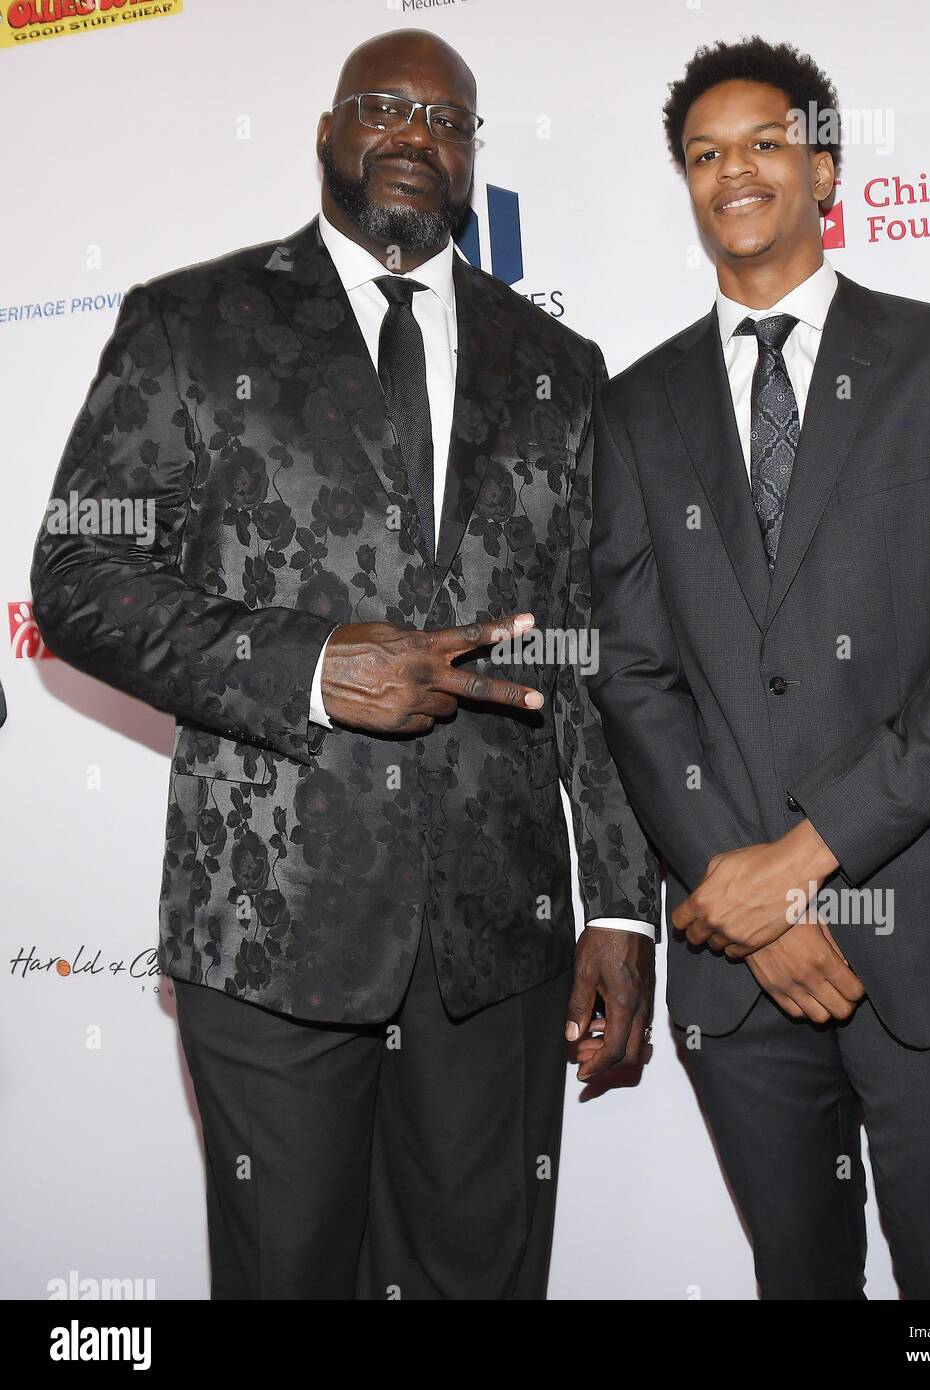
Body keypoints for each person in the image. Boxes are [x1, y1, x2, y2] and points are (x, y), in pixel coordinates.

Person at [30, 28, 659, 1301]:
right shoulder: (190, 323)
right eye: (382, 105)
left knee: (476, 1283)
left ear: (471, 158)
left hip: (500, 936)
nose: (414, 133)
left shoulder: (557, 369)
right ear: (326, 132)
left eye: (448, 120)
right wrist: (315, 666)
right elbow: (79, 580)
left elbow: (594, 650)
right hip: (270, 922)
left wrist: (616, 902)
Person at [587, 35, 930, 1300]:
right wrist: (744, 901)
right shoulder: (631, 412)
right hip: (738, 978)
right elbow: (632, 677)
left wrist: (797, 867)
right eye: (702, 153)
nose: (731, 170)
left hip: (929, 938)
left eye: (762, 142)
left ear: (822, 165)